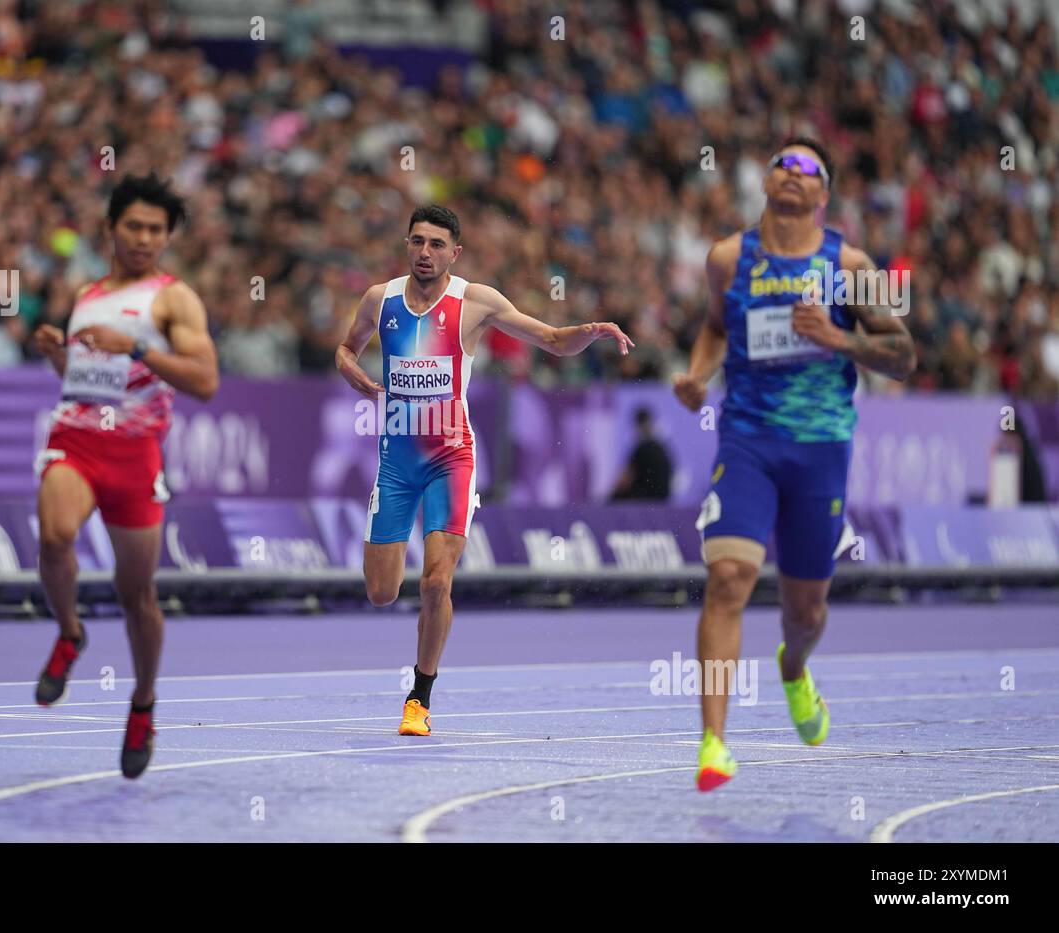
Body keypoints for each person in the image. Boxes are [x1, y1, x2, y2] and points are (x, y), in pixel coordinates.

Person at [672, 139, 915, 791]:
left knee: (805, 612)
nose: (792, 172)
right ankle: (714, 742)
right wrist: (699, 374)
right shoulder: (728, 257)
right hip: (748, 441)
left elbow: (903, 352)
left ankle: (794, 667)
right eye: (783, 162)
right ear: (767, 182)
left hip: (821, 451)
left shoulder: (851, 263)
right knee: (727, 578)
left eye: (808, 168)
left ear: (823, 195)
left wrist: (840, 338)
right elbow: (715, 327)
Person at [336, 204, 633, 736]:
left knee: (434, 582)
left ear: (455, 252)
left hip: (452, 458)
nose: (425, 253)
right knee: (380, 591)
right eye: (416, 242)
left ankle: (419, 698)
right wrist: (352, 372)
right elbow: (345, 347)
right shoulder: (380, 300)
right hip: (396, 463)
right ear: (407, 245)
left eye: (436, 245)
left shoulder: (475, 302)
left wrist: (592, 329)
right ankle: (416, 675)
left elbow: (551, 340)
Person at [30, 172, 219, 779]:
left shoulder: (174, 299)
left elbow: (206, 382)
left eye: (156, 230)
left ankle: (142, 703)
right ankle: (69, 632)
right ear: (109, 228)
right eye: (134, 226)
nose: (144, 238)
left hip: (136, 455)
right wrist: (58, 354)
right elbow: (85, 378)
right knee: (55, 533)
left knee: (135, 593)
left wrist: (135, 347)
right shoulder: (87, 292)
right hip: (77, 439)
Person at [610, 406, 673, 500]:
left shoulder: (641, 449)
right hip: (661, 500)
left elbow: (624, 480)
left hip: (642, 500)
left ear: (637, 426)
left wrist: (610, 497)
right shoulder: (662, 449)